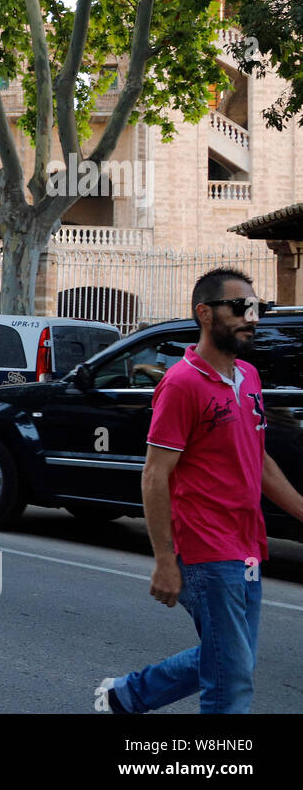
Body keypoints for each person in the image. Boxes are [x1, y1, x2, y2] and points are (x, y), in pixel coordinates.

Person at [101, 268, 303, 714]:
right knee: (230, 683)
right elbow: (155, 476)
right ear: (205, 313)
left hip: (248, 542)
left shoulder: (248, 376)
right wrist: (165, 562)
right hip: (207, 549)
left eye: (257, 308)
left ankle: (128, 695)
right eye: (240, 308)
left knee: (229, 658)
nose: (252, 318)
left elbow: (261, 460)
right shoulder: (181, 384)